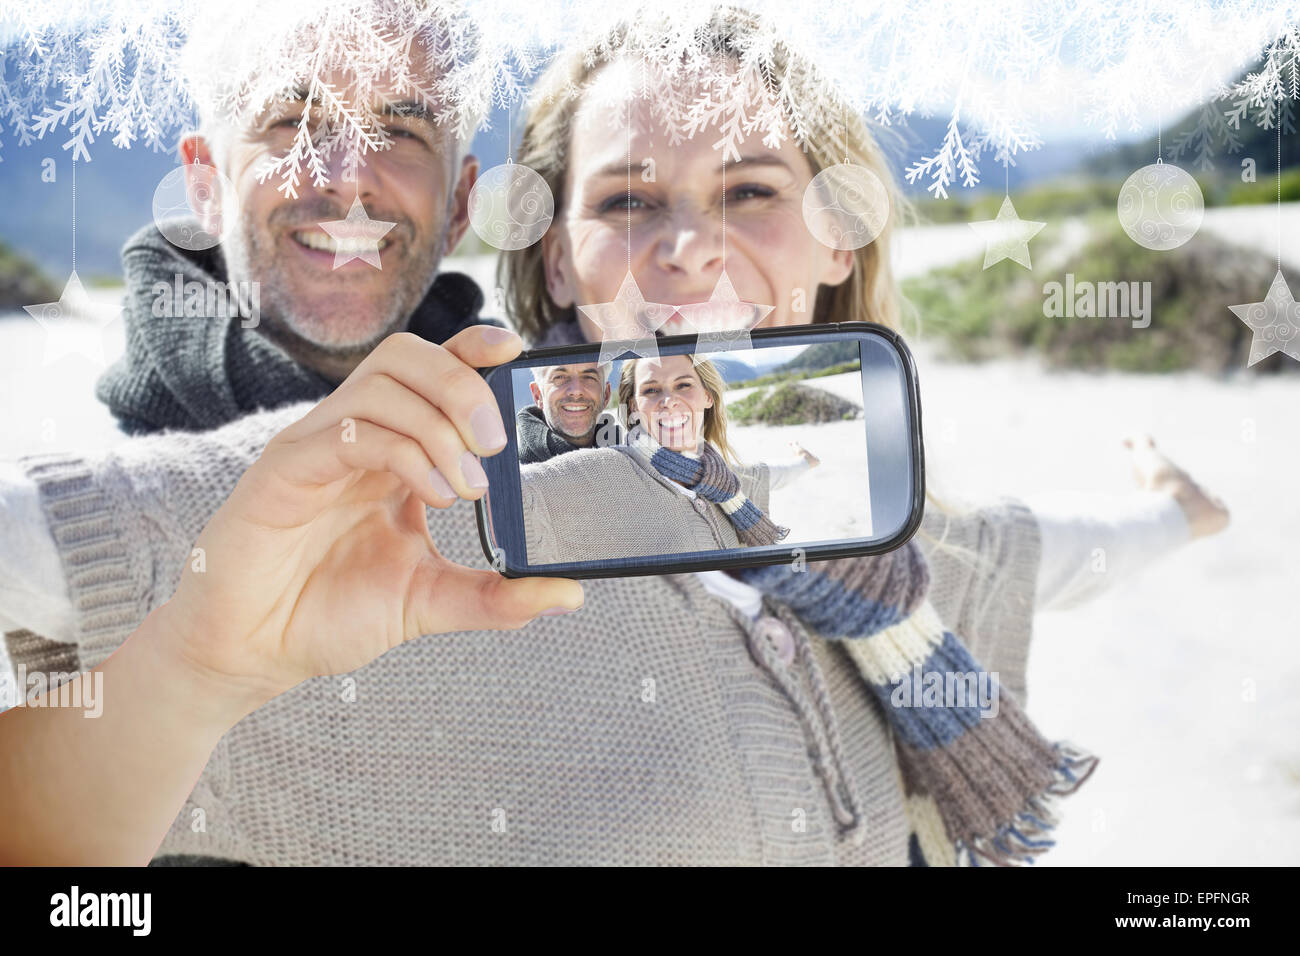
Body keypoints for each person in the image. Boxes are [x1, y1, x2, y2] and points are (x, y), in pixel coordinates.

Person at [0, 4, 1229, 866]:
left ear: (840, 231)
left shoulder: (860, 506)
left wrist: (1176, 509)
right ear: (557, 252)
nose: (687, 247)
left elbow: (1037, 547)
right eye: (629, 199)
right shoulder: (449, 494)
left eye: (750, 188)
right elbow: (100, 550)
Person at [520, 353, 786, 563]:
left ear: (606, 395)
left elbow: (756, 476)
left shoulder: (719, 480)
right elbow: (516, 492)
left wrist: (805, 461)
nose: (669, 401)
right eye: (559, 377)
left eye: (683, 385)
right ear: (634, 404)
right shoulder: (607, 464)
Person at [516, 360, 623, 463]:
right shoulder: (510, 475)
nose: (576, 391)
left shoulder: (630, 463)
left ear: (606, 395)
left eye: (589, 377)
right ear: (538, 395)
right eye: (560, 377)